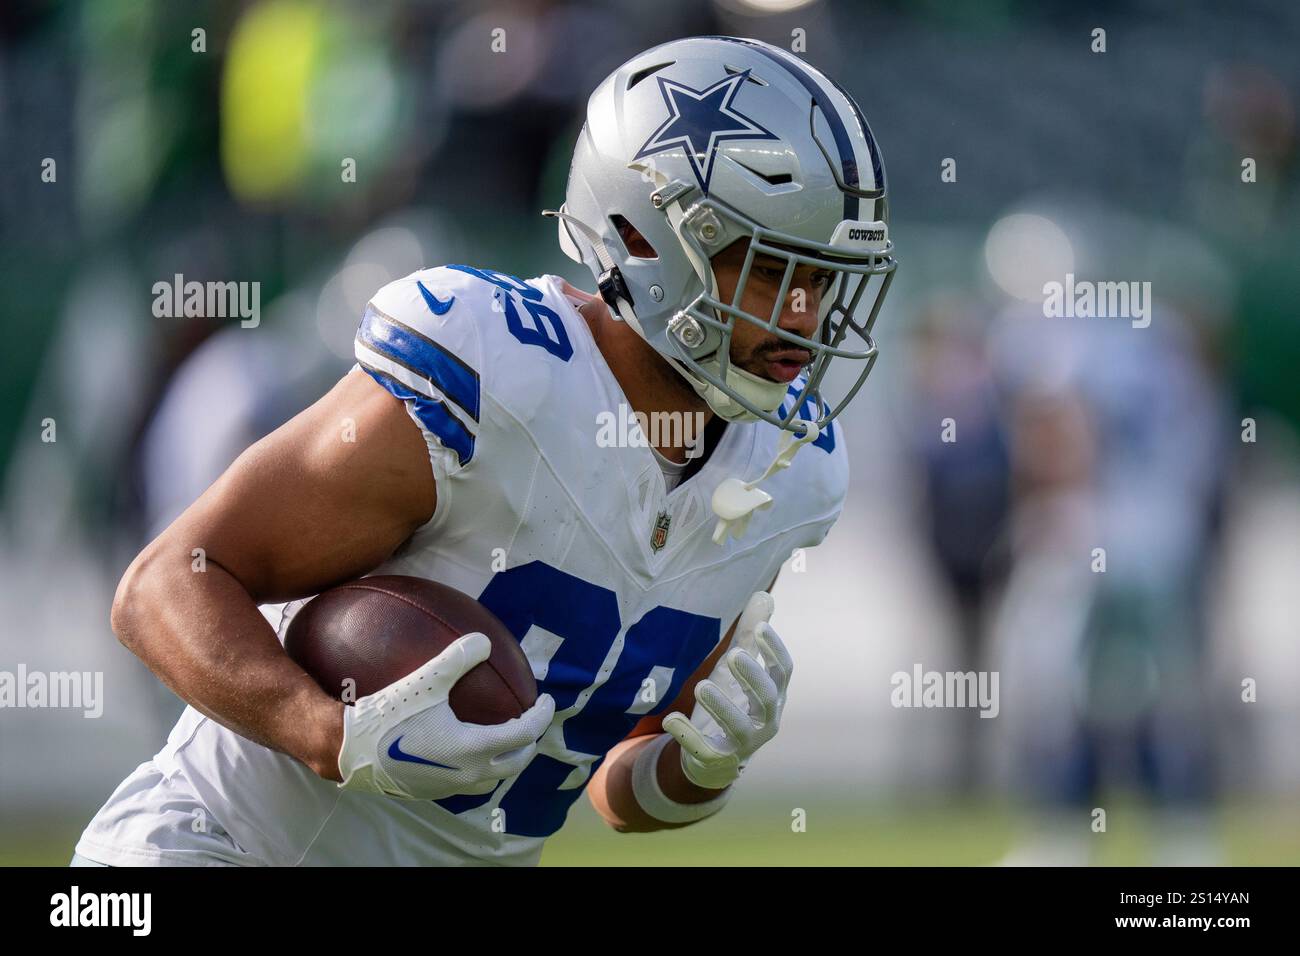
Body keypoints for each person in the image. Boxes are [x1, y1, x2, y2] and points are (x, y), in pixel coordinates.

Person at [73, 35, 896, 866]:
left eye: (823, 282)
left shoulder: (790, 471)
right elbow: (165, 586)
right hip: (226, 846)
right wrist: (330, 733)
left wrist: (701, 767)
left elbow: (608, 785)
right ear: (650, 242)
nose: (804, 318)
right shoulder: (496, 372)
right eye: (772, 271)